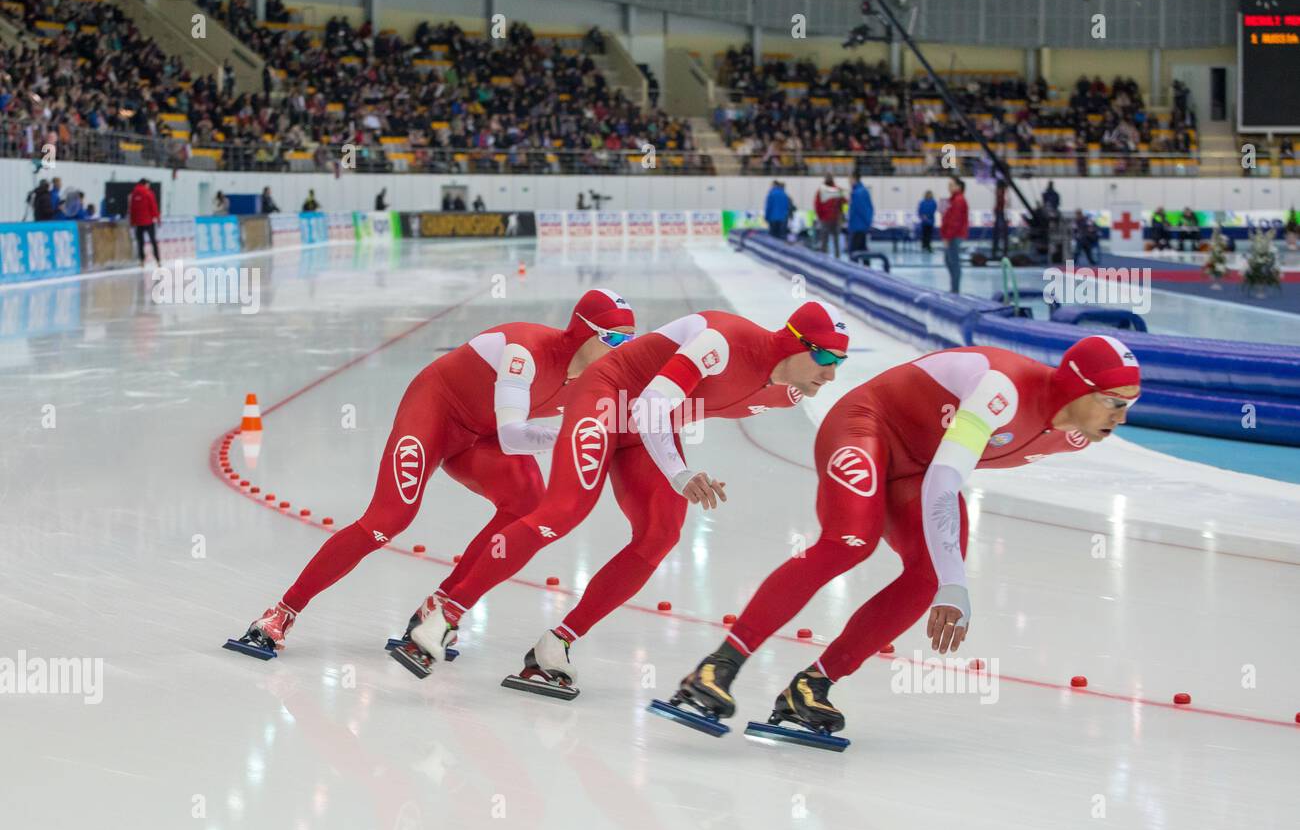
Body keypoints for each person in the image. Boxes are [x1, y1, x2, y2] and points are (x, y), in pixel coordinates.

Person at [671, 336, 1141, 736]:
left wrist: (947, 577)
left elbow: (940, 471)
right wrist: (958, 581)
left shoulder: (1078, 433)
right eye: (1114, 401)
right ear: (1080, 387)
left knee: (928, 575)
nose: (1121, 417)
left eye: (1130, 405)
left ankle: (811, 686)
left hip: (918, 467)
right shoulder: (1003, 390)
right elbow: (944, 480)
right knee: (850, 541)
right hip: (867, 427)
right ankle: (718, 666)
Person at [405, 302, 851, 687]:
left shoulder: (792, 393)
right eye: (827, 358)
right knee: (562, 511)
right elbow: (650, 405)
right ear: (797, 345)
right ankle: (446, 612)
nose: (831, 375)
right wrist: (680, 472)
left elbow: (666, 414)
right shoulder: (722, 342)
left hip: (651, 428)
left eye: (840, 363)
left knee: (660, 535)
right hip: (606, 399)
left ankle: (556, 644)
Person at [234, 290, 639, 657]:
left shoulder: (602, 380)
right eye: (617, 340)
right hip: (435, 415)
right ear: (585, 334)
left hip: (484, 436)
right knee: (388, 520)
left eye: (632, 342)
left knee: (529, 504)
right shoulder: (526, 350)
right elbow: (516, 436)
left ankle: (440, 608)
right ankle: (282, 612)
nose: (625, 350)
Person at [940, 177, 969, 293]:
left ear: (958, 187)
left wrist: (948, 236)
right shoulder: (952, 200)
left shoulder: (959, 201)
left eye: (951, 185)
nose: (949, 187)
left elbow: (955, 221)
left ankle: (955, 290)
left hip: (954, 236)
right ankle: (953, 287)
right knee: (948, 260)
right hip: (951, 235)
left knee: (954, 262)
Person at [128, 179, 161, 265]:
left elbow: (132, 209)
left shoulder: (134, 194)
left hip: (138, 223)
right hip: (148, 221)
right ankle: (158, 260)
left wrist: (132, 221)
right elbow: (153, 206)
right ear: (145, 184)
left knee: (140, 242)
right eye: (148, 185)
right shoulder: (148, 193)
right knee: (153, 240)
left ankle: (142, 260)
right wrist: (157, 218)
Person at [814, 175, 844, 258]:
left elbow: (817, 205)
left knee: (828, 239)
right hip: (830, 218)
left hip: (830, 218)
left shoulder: (824, 191)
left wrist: (821, 216)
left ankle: (828, 257)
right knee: (831, 240)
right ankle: (832, 256)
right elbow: (817, 205)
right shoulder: (833, 190)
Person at [847, 175, 874, 257]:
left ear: (855, 179)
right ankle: (866, 269)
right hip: (860, 226)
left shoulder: (858, 193)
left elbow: (862, 210)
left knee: (854, 252)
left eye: (850, 180)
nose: (849, 182)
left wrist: (866, 224)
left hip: (858, 227)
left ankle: (856, 269)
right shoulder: (861, 191)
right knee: (862, 250)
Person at [991, 179, 1009, 259]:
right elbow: (1000, 203)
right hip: (999, 213)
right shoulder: (1000, 192)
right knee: (999, 234)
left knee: (1000, 234)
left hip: (1000, 213)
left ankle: (999, 251)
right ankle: (997, 251)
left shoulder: (1001, 192)